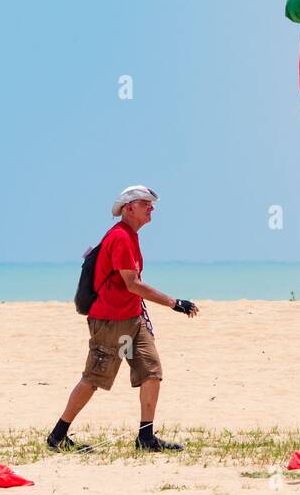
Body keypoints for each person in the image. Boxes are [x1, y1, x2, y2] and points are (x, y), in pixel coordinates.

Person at [47, 185, 199, 453]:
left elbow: (130, 286)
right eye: (145, 204)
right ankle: (57, 436)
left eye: (152, 205)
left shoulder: (131, 236)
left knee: (151, 373)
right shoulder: (120, 237)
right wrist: (174, 303)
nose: (151, 208)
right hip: (109, 321)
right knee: (93, 379)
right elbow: (133, 284)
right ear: (129, 208)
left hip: (133, 319)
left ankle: (146, 437)